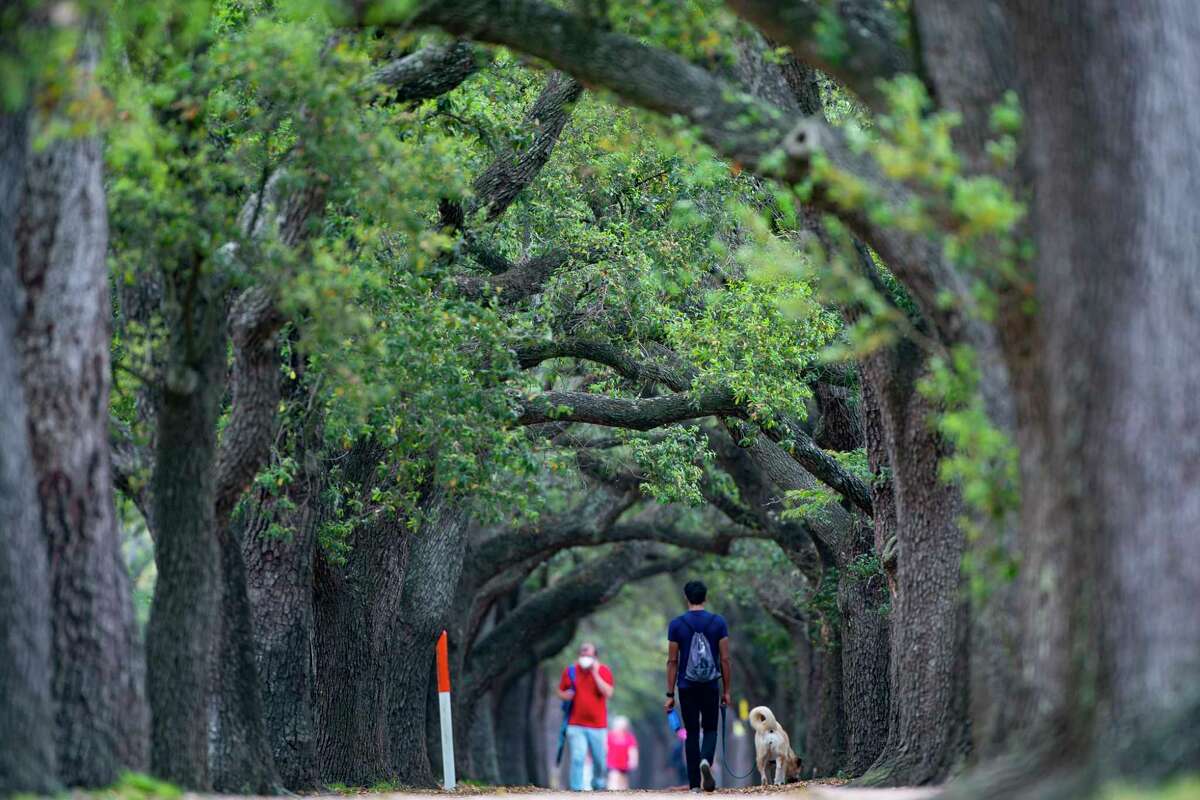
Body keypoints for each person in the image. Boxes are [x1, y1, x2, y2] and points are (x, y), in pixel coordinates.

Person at [664, 580, 731, 793]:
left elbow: (672, 661)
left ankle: (694, 784)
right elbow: (725, 659)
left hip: (686, 686)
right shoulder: (718, 622)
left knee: (691, 732)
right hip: (710, 684)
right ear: (706, 598)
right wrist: (727, 691)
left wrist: (670, 693)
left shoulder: (677, 625)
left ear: (686, 598)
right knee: (710, 728)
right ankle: (706, 761)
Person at [558, 642, 614, 791]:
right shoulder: (571, 671)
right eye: (582, 655)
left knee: (599, 760)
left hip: (598, 726)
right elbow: (560, 691)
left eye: (588, 655)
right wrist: (565, 695)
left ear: (595, 657)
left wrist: (595, 673)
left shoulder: (604, 671)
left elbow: (608, 693)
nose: (585, 658)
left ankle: (598, 785)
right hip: (575, 724)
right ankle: (576, 789)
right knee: (578, 757)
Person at [606, 715, 639, 790]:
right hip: (612, 763)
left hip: (624, 764)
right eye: (619, 725)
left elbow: (633, 750)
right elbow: (605, 748)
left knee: (623, 782)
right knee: (613, 778)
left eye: (623, 725)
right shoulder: (610, 736)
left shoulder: (629, 737)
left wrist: (633, 761)